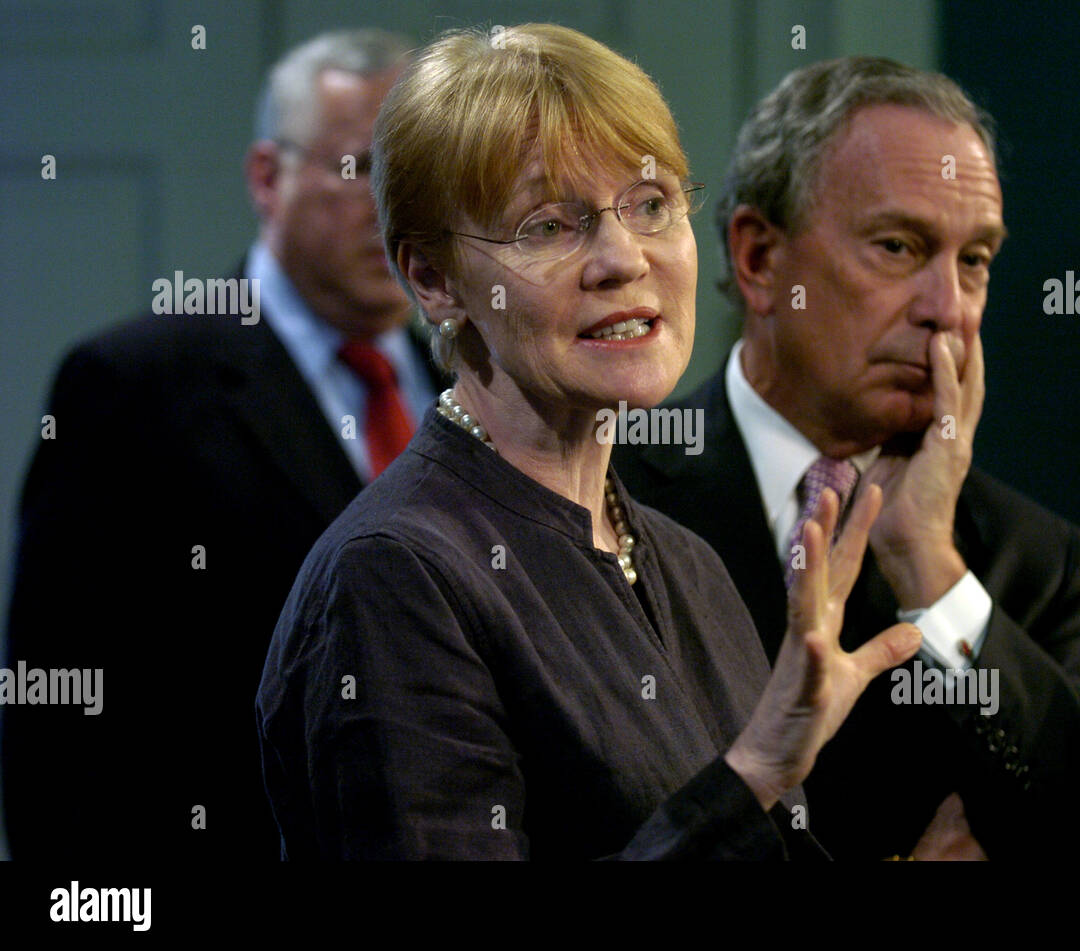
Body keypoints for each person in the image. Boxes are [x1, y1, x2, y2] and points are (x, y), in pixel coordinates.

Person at [256, 23, 923, 860]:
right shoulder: (394, 576)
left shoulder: (689, 563)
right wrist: (750, 772)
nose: (622, 259)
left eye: (650, 205)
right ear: (432, 278)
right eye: (547, 226)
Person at [614, 57, 1080, 860]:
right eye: (899, 247)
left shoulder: (1026, 556)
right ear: (760, 260)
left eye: (974, 260)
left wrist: (928, 567)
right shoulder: (608, 496)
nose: (948, 310)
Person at [2, 29, 446, 860]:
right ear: (267, 178)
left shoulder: (471, 392)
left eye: (418, 178)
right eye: (357, 170)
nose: (394, 208)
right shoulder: (132, 387)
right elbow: (57, 712)